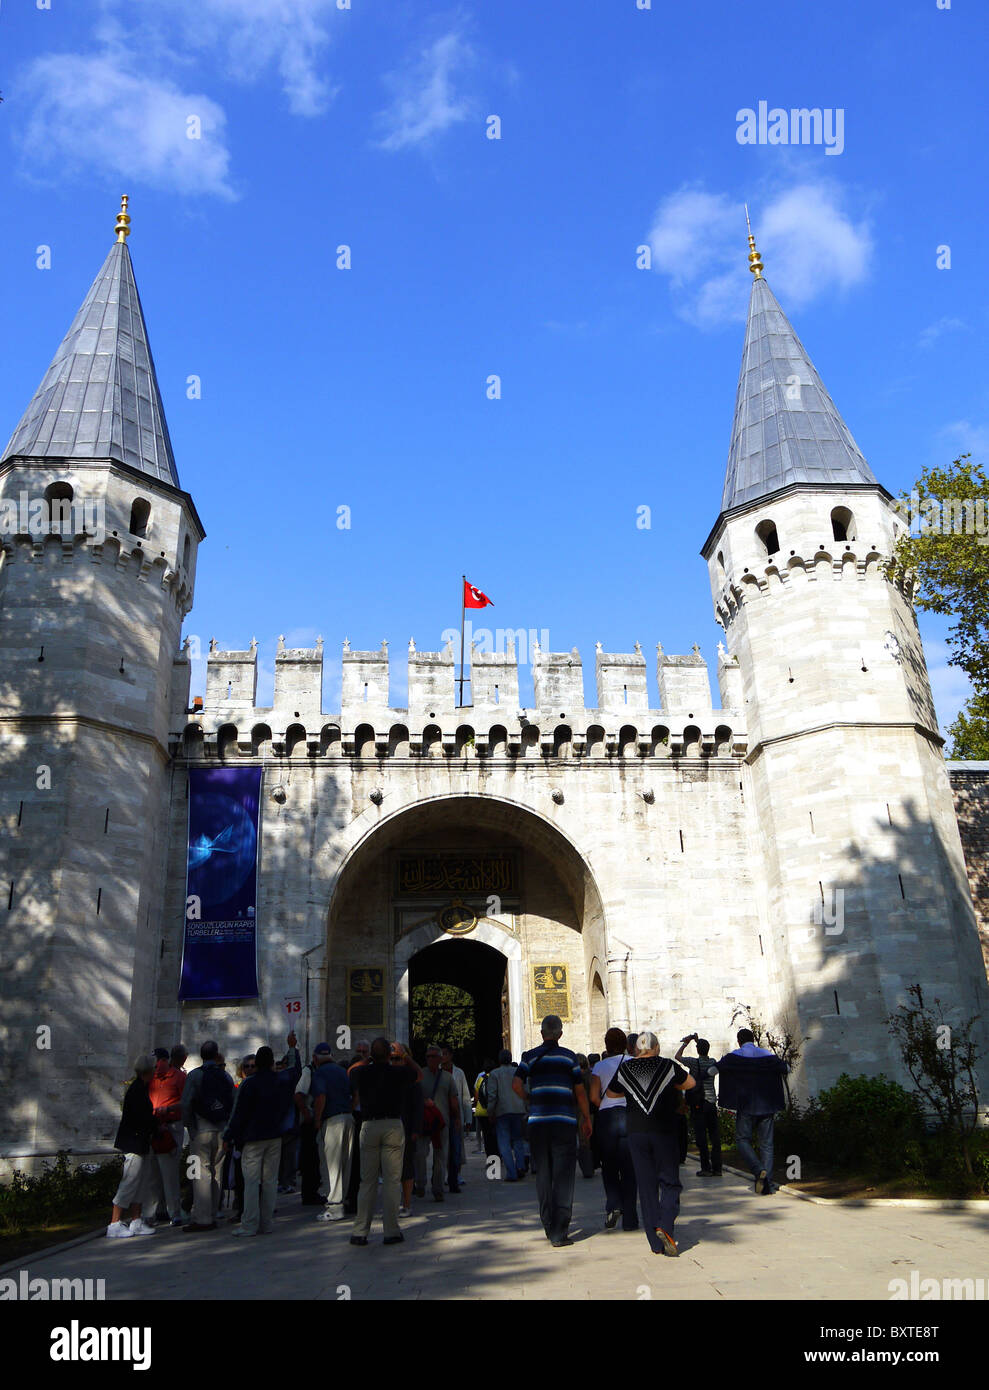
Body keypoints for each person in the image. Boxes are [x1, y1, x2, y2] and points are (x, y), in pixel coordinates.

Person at [606, 1031, 695, 1257]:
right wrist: (670, 1088)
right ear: (656, 1047)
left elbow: (611, 1093)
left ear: (636, 1049)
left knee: (646, 1187)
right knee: (670, 1182)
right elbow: (691, 1083)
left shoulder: (626, 1068)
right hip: (663, 1130)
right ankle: (665, 1225)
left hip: (636, 1132)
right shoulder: (667, 1066)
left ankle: (655, 1244)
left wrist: (632, 1093)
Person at [513, 1015, 591, 1248]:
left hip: (538, 1122)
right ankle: (561, 1229)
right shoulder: (569, 1058)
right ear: (560, 1033)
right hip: (564, 1123)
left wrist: (530, 1098)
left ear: (541, 1033)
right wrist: (586, 1118)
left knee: (544, 1175)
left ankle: (549, 1225)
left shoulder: (529, 1057)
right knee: (564, 1176)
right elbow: (579, 1092)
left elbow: (516, 1085)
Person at [223, 1044, 301, 1236]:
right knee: (269, 1181)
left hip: (254, 1138)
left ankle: (249, 1224)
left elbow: (238, 1114)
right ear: (272, 1063)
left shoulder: (249, 1084)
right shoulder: (281, 1080)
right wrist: (292, 1048)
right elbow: (296, 1070)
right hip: (274, 1137)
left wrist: (228, 1135)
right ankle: (266, 1223)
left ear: (257, 1063)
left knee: (251, 1182)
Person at [349, 1038, 418, 1246]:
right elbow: (418, 1073)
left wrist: (368, 1058)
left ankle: (360, 1231)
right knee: (391, 1181)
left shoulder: (362, 1072)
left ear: (371, 1054)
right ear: (390, 1055)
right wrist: (404, 1056)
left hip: (369, 1126)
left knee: (367, 1181)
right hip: (392, 1125)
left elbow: (350, 1071)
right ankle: (391, 1231)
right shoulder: (398, 1072)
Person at [718, 1029, 789, 1195]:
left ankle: (758, 1170)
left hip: (746, 1106)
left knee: (742, 1140)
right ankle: (767, 1185)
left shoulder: (734, 1056)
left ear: (739, 1041)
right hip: (767, 1106)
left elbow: (714, 1070)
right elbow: (786, 1068)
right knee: (767, 1145)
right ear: (753, 1039)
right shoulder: (767, 1055)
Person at [181, 1040, 235, 1232]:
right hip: (222, 1130)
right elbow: (233, 1103)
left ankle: (203, 1218)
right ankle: (213, 1212)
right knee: (217, 1173)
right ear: (216, 1054)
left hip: (201, 1129)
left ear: (201, 1055)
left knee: (200, 1173)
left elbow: (185, 1103)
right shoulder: (226, 1076)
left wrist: (189, 1127)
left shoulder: (195, 1076)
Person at [590, 1027, 638, 1232]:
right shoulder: (634, 1063)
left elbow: (593, 1096)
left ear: (607, 1045)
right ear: (626, 1044)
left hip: (607, 1117)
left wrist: (605, 1104)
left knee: (609, 1166)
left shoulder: (599, 1066)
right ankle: (631, 1220)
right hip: (629, 1116)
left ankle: (613, 1205)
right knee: (629, 1168)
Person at [107, 1055, 159, 1238]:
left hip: (141, 1142)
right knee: (129, 1181)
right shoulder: (136, 1090)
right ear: (147, 1071)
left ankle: (136, 1220)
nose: (155, 1071)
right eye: (153, 1068)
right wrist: (156, 1122)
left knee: (140, 1183)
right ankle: (114, 1223)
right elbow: (140, 1118)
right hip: (134, 1143)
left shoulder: (141, 1088)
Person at [143, 1045, 187, 1226]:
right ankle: (154, 1211)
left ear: (165, 1061)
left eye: (157, 1062)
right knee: (153, 1172)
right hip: (154, 1128)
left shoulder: (179, 1077)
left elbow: (186, 1102)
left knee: (169, 1173)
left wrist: (169, 1108)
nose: (154, 1066)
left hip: (170, 1127)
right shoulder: (150, 1078)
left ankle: (174, 1211)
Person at [311, 1044, 354, 1222]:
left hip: (332, 1120)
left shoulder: (319, 1073)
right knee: (345, 1163)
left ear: (315, 1058)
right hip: (348, 1118)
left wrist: (317, 1119)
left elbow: (321, 1097)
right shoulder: (342, 1071)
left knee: (331, 1165)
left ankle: (334, 1207)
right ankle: (341, 1202)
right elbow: (354, 1094)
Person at [414, 1044, 459, 1201]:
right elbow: (412, 1096)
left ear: (440, 1059)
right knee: (420, 1153)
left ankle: (438, 1188)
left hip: (441, 1122)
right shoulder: (420, 1074)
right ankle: (420, 1183)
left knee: (440, 1156)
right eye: (428, 1056)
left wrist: (457, 1119)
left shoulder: (447, 1077)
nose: (430, 1059)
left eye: (434, 1056)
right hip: (424, 1121)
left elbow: (454, 1100)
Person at [675, 1034, 722, 1177]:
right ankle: (717, 1168)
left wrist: (686, 1043)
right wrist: (698, 1041)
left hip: (699, 1104)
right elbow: (703, 1049)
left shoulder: (693, 1063)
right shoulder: (713, 1062)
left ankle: (705, 1168)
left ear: (697, 1050)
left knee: (701, 1137)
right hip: (711, 1102)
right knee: (714, 1136)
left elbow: (677, 1056)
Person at [391, 1042, 423, 1216]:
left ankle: (407, 1203)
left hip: (406, 1130)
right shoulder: (385, 1076)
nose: (394, 1062)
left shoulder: (411, 1081)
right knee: (391, 1170)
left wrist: (416, 1130)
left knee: (406, 1168)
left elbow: (418, 1107)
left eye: (397, 1058)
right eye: (391, 1059)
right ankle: (394, 1202)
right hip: (389, 1129)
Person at [486, 1048, 526, 1180]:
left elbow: (492, 1096)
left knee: (504, 1144)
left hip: (502, 1111)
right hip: (519, 1110)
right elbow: (525, 1090)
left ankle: (511, 1173)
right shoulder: (518, 1072)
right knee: (519, 1140)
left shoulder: (495, 1074)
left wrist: (490, 1112)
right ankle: (520, 1166)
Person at [293, 1047, 324, 1206]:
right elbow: (298, 1094)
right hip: (309, 1121)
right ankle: (309, 1193)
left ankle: (312, 1191)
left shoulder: (321, 1070)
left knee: (314, 1157)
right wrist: (306, 1113)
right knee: (310, 1158)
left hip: (316, 1119)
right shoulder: (308, 1071)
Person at [343, 1039, 371, 1213]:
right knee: (353, 1161)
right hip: (355, 1118)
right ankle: (353, 1198)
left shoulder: (370, 1072)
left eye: (364, 1051)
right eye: (358, 1051)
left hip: (366, 1119)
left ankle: (360, 1198)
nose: (361, 1054)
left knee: (362, 1161)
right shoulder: (351, 1071)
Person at [441, 1044, 471, 1191]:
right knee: (443, 1146)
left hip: (456, 1115)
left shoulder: (458, 1073)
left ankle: (457, 1173)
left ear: (451, 1055)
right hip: (441, 1115)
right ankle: (446, 1174)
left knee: (457, 1146)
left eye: (445, 1053)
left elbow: (465, 1096)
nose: (443, 1056)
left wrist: (468, 1118)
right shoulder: (436, 1072)